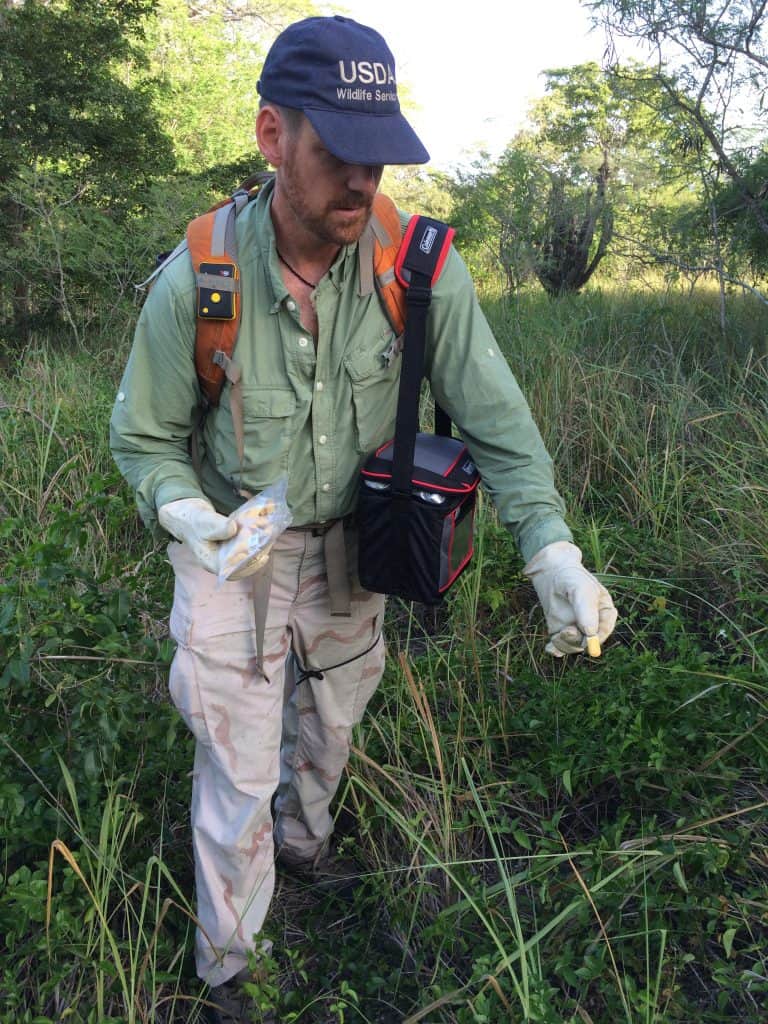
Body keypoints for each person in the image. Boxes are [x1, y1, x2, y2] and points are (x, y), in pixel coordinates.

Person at [110, 14, 617, 1022]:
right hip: (237, 543)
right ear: (272, 137)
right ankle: (229, 967)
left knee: (332, 721)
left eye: (378, 158)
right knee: (237, 762)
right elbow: (145, 439)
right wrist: (179, 510)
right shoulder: (200, 280)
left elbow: (500, 421)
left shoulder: (417, 267)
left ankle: (306, 849)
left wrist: (550, 544)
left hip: (357, 543)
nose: (362, 183)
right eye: (338, 153)